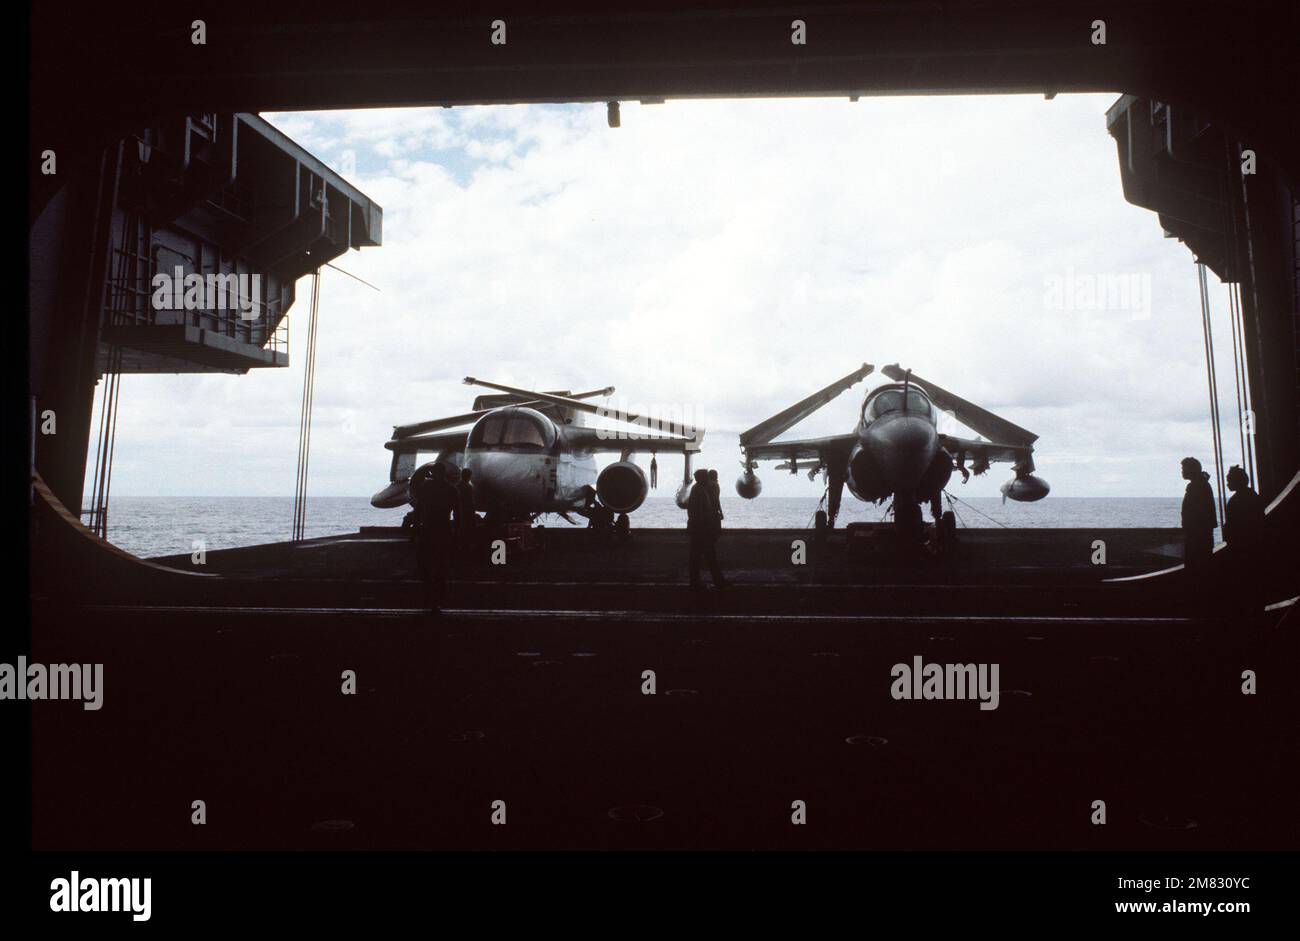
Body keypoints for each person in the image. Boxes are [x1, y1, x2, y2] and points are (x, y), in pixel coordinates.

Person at [412, 462, 459, 612]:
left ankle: (428, 596)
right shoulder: (451, 489)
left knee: (425, 565)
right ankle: (439, 598)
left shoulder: (426, 488)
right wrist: (458, 532)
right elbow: (458, 513)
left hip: (428, 530)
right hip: (444, 529)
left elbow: (418, 509)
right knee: (441, 565)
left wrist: (415, 529)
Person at [1223, 464, 1265, 611]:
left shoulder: (1237, 500)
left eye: (1229, 480)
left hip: (1241, 549)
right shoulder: (1253, 497)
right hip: (1251, 547)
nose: (1227, 483)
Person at [687, 468, 727, 589]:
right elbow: (700, 511)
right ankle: (717, 582)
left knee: (697, 557)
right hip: (701, 530)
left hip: (698, 529)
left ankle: (697, 582)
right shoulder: (700, 490)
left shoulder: (699, 489)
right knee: (707, 556)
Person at [1180, 457, 1217, 578]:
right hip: (1201, 536)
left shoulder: (1197, 487)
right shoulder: (1201, 485)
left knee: (1197, 570)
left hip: (1197, 537)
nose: (1182, 471)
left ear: (1191, 469)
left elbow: (1196, 514)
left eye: (1184, 468)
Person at [455, 468, 477, 554]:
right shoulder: (468, 487)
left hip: (459, 511)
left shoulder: (457, 486)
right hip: (467, 511)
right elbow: (470, 501)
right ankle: (466, 548)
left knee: (459, 530)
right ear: (469, 476)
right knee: (467, 530)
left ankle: (459, 547)